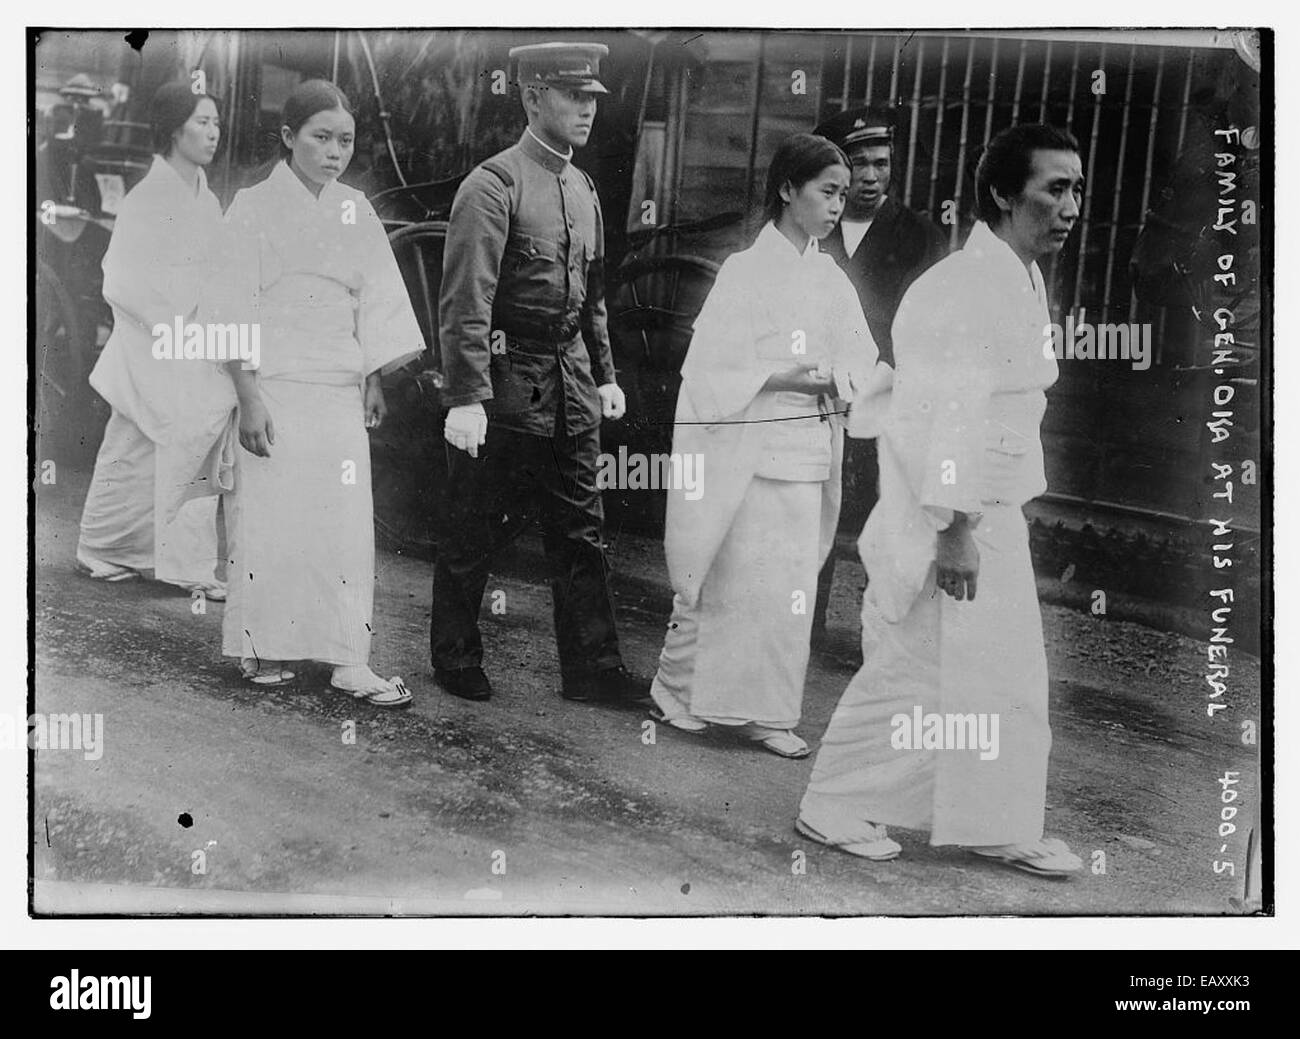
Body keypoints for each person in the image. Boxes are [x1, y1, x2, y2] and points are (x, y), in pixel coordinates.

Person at [795, 124, 1087, 874]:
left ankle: (996, 818)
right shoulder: (962, 286)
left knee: (1003, 670)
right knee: (914, 664)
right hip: (951, 510)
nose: (1070, 206)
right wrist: (954, 527)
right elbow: (948, 414)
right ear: (1001, 193)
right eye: (1055, 188)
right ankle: (830, 800)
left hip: (993, 507)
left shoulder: (1017, 275)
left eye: (1077, 189)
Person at [647, 133, 879, 759]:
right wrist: (781, 375)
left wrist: (841, 376)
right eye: (827, 192)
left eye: (843, 194)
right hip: (749, 447)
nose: (838, 205)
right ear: (787, 190)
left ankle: (764, 711)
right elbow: (710, 368)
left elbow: (863, 354)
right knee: (733, 578)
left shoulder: (831, 278)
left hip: (806, 448)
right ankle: (686, 696)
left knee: (788, 587)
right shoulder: (744, 271)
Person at [431, 42, 648, 705]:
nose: (587, 110)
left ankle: (594, 668)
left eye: (592, 99)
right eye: (572, 96)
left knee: (581, 531)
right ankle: (456, 657)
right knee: (475, 527)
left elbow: (595, 297)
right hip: (504, 382)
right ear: (532, 98)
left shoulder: (582, 189)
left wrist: (605, 374)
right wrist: (467, 395)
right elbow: (466, 300)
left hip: (572, 385)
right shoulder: (493, 185)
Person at [220, 80, 423, 705]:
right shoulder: (252, 207)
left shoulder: (355, 208)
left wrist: (372, 376)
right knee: (272, 520)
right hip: (274, 382)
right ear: (288, 137)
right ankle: (264, 645)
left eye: (345, 141)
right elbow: (232, 304)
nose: (335, 151)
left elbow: (376, 298)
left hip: (336, 383)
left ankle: (347, 657)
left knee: (342, 521)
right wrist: (247, 395)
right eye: (320, 137)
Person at [76, 83, 235, 599]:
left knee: (192, 434)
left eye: (215, 122)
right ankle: (103, 546)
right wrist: (175, 323)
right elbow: (120, 280)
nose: (213, 132)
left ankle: (174, 560)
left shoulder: (206, 199)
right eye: (202, 122)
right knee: (138, 439)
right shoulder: (147, 198)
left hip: (192, 339)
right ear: (173, 130)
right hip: (153, 337)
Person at [809, 106, 950, 640]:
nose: (870, 177)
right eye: (858, 164)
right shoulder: (814, 228)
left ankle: (884, 639)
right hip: (821, 397)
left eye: (882, 164)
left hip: (890, 402)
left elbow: (933, 327)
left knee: (885, 519)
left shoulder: (918, 235)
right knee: (814, 509)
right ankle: (805, 631)